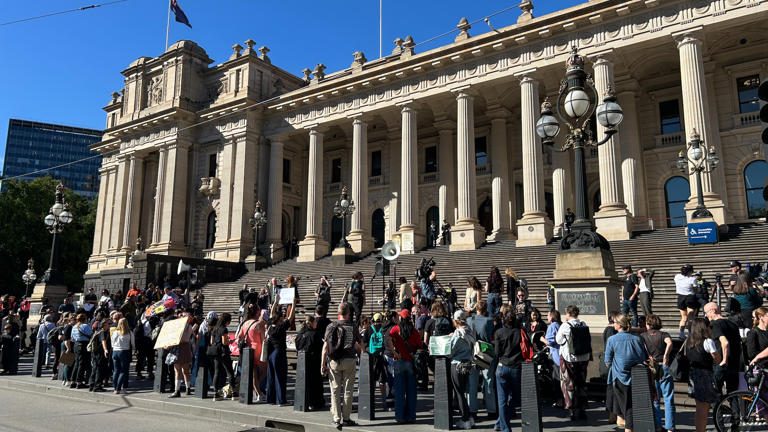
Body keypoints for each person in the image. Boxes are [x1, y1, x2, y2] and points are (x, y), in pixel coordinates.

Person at [604, 314, 649, 432]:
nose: (613, 324)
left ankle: (628, 428)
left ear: (619, 325)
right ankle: (629, 427)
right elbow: (642, 357)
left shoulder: (612, 339)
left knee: (626, 405)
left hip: (619, 376)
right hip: (636, 375)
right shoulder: (637, 338)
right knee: (633, 404)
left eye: (614, 322)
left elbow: (607, 361)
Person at [321, 303, 362, 430]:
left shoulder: (331, 326)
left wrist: (322, 364)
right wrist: (364, 355)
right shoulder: (353, 326)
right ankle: (347, 418)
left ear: (338, 313)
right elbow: (360, 343)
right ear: (348, 313)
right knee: (348, 390)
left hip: (334, 361)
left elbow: (325, 348)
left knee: (335, 390)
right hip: (349, 360)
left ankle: (336, 419)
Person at [555, 305, 591, 421]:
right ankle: (582, 410)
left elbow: (558, 340)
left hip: (569, 359)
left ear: (568, 314)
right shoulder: (583, 324)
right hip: (583, 358)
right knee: (581, 384)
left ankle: (572, 410)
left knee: (569, 384)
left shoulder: (565, 326)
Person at [387, 309, 422, 424]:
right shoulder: (414, 331)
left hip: (399, 360)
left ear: (401, 318)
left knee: (399, 391)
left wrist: (394, 352)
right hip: (410, 362)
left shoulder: (396, 329)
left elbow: (389, 339)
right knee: (411, 391)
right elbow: (420, 345)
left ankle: (400, 416)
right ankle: (411, 416)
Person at [641, 314, 674, 432]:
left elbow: (642, 349)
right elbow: (669, 343)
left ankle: (658, 426)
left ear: (649, 324)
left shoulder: (643, 336)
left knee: (655, 398)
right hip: (664, 366)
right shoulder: (663, 334)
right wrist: (666, 355)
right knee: (668, 398)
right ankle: (670, 428)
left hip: (651, 367)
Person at [686, 318, 720, 432]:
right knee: (704, 409)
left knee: (699, 407)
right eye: (709, 327)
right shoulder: (707, 342)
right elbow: (717, 359)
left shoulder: (689, 341)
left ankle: (699, 430)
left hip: (693, 374)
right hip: (705, 375)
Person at [467, 301, 497, 422]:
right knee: (488, 382)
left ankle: (472, 411)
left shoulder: (469, 320)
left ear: (476, 309)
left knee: (472, 384)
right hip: (486, 354)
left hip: (472, 354)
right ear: (485, 310)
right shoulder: (489, 321)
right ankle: (491, 410)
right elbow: (491, 337)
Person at [703, 302, 742, 395]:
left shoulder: (716, 324)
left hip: (721, 364)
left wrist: (724, 360)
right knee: (733, 394)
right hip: (734, 364)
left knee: (715, 391)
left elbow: (725, 342)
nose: (705, 315)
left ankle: (718, 410)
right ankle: (735, 410)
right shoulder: (733, 324)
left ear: (712, 310)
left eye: (706, 312)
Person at [266, 293, 297, 405]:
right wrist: (293, 304)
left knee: (271, 377)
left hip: (270, 353)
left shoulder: (270, 326)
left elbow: (271, 313)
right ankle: (281, 400)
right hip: (279, 353)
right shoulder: (280, 327)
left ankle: (270, 399)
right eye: (282, 318)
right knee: (280, 377)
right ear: (279, 319)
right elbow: (291, 317)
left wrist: (275, 301)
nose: (284, 319)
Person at [450, 310, 476, 429]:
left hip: (457, 364)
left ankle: (465, 419)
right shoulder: (469, 330)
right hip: (467, 363)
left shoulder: (458, 332)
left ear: (456, 320)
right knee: (463, 392)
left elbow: (451, 350)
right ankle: (469, 417)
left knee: (459, 393)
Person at [296, 314, 325, 410]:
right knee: (315, 384)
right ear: (312, 323)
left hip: (303, 362)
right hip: (314, 362)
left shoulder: (300, 335)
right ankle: (316, 403)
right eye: (315, 322)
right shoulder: (315, 334)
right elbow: (320, 348)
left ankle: (305, 401)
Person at [362, 313, 389, 411]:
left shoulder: (368, 330)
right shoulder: (384, 329)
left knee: (372, 380)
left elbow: (364, 343)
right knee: (382, 381)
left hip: (371, 358)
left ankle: (372, 400)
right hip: (382, 357)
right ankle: (384, 401)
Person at [208, 312, 236, 401]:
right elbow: (224, 342)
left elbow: (212, 342)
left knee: (217, 372)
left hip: (216, 353)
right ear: (227, 321)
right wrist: (230, 341)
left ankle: (215, 394)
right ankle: (234, 393)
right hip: (223, 352)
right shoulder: (224, 329)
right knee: (230, 372)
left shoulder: (214, 329)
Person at [167, 312, 196, 398]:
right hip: (186, 347)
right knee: (186, 371)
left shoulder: (179, 328)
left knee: (177, 371)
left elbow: (176, 339)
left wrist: (168, 346)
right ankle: (188, 389)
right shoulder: (189, 326)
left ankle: (177, 391)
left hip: (179, 348)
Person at [544, 310, 563, 408]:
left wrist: (542, 339)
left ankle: (559, 400)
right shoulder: (560, 325)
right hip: (561, 355)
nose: (547, 317)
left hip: (555, 356)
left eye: (548, 315)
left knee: (556, 378)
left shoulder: (552, 326)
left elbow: (550, 342)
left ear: (551, 317)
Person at [110, 318, 134, 395]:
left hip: (115, 351)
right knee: (123, 371)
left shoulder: (115, 332)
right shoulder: (129, 333)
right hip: (124, 351)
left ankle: (115, 387)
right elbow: (133, 344)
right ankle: (118, 388)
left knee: (116, 370)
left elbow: (112, 343)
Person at [69, 313, 93, 389]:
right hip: (83, 344)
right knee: (82, 364)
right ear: (84, 319)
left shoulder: (74, 327)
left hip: (76, 344)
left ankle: (73, 381)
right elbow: (91, 334)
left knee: (77, 363)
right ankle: (79, 382)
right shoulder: (85, 326)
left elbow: (72, 338)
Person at [674, 264, 698, 339]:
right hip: (690, 297)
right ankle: (690, 333)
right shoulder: (692, 279)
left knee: (683, 317)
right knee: (691, 317)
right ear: (690, 271)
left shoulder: (677, 276)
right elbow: (696, 290)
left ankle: (681, 333)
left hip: (680, 297)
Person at [88, 318, 112, 392]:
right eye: (109, 324)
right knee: (99, 369)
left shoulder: (99, 332)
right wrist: (105, 350)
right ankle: (97, 386)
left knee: (95, 369)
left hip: (96, 353)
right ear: (104, 324)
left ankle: (92, 385)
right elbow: (103, 341)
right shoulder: (103, 332)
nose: (110, 325)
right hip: (100, 353)